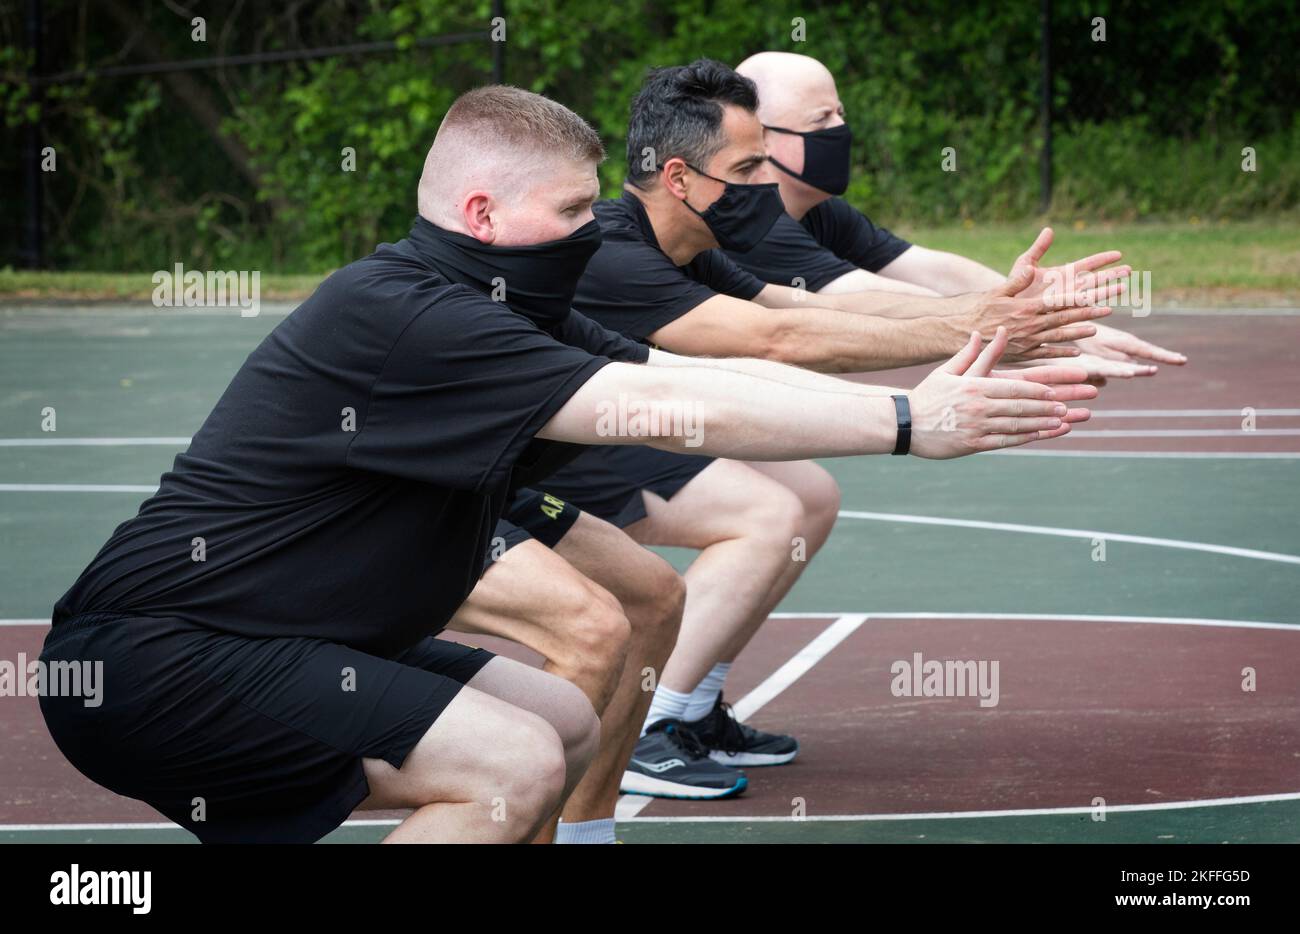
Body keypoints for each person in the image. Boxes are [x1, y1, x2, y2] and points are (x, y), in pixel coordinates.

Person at [38, 84, 1098, 843]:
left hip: (285, 641)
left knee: (558, 720)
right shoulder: (404, 314)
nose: (592, 228)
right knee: (510, 764)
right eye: (569, 210)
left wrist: (923, 394)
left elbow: (723, 381)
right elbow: (656, 403)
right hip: (160, 657)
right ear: (481, 215)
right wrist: (911, 422)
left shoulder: (508, 309)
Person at [535, 60, 1113, 797]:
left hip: (618, 423)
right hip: (548, 450)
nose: (763, 186)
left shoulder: (688, 244)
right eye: (746, 167)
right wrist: (960, 346)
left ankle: (694, 708)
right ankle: (651, 729)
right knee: (764, 514)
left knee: (806, 493)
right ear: (679, 178)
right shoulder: (614, 254)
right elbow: (777, 344)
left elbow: (803, 312)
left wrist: (987, 311)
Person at [730, 50, 1187, 381]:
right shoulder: (750, 222)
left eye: (841, 113)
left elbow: (926, 266)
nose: (841, 130)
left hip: (710, 397)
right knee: (787, 507)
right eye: (821, 119)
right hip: (667, 402)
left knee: (808, 501)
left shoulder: (819, 210)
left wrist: (1034, 306)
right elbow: (867, 298)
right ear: (761, 138)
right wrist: (1020, 327)